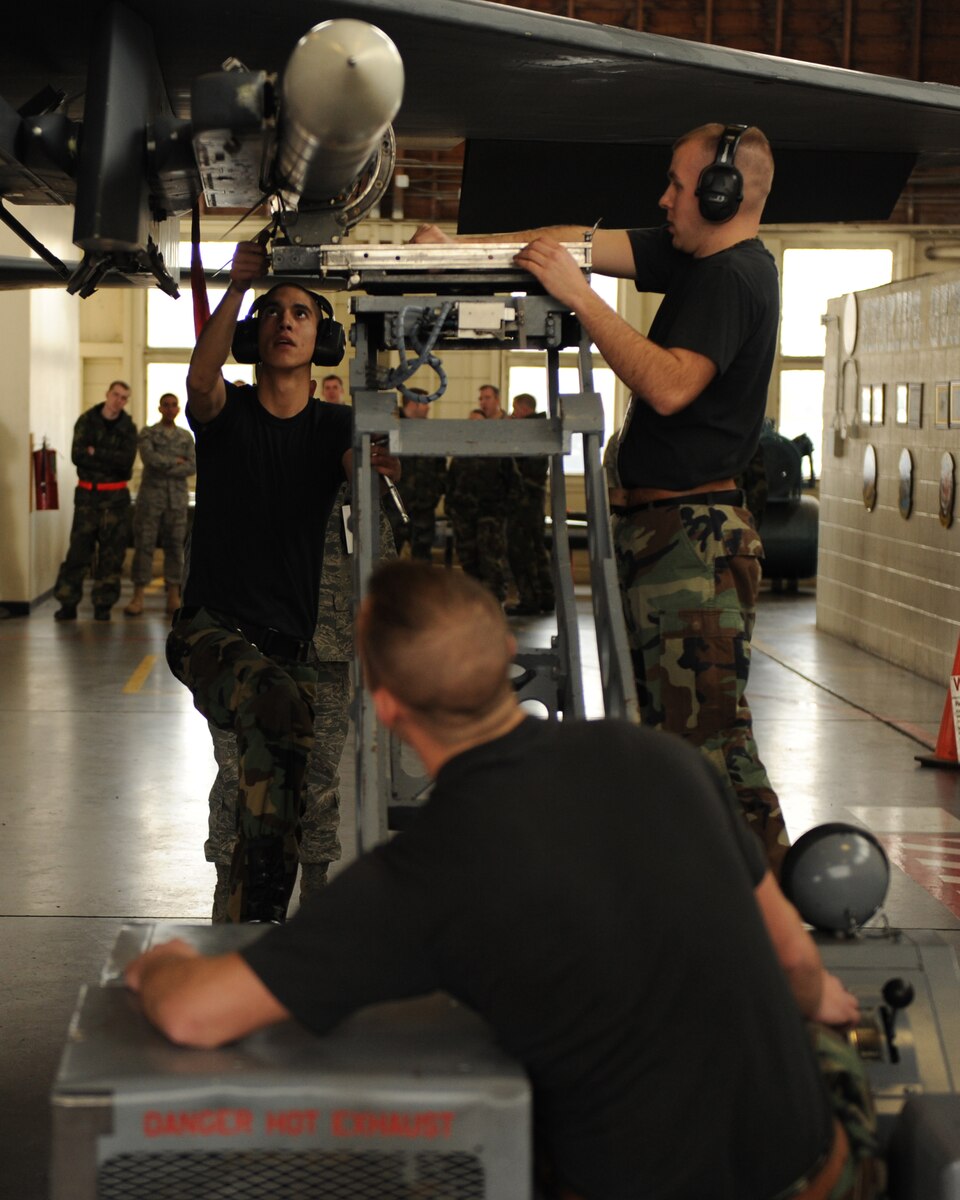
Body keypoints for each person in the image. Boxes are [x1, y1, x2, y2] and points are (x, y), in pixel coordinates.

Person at [127, 561, 863, 1200]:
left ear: (385, 706)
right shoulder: (662, 760)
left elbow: (197, 1016)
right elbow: (798, 966)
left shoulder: (425, 872)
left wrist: (164, 964)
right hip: (823, 1174)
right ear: (507, 655)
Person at [413, 123, 787, 871]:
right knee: (671, 743)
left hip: (694, 541)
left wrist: (580, 298)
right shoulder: (691, 256)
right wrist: (457, 250)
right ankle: (707, 913)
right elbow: (572, 244)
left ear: (723, 193)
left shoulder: (734, 275)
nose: (666, 198)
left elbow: (672, 383)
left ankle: (768, 925)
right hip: (661, 534)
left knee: (709, 747)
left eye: (679, 186)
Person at [165, 239, 399, 924]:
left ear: (320, 336)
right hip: (214, 633)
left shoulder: (336, 425)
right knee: (251, 769)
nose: (286, 322)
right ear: (253, 332)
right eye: (273, 313)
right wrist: (238, 287)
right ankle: (239, 921)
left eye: (300, 312)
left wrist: (380, 462)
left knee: (286, 792)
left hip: (294, 647)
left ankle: (256, 927)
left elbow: (370, 463)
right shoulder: (228, 415)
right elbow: (200, 382)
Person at [53, 381, 137, 622]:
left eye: (123, 398)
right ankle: (68, 602)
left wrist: (95, 453)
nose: (118, 401)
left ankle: (103, 605)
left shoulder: (128, 428)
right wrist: (107, 458)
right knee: (78, 553)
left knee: (112, 555)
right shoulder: (87, 421)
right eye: (115, 395)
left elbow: (125, 464)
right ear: (107, 394)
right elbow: (77, 455)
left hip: (115, 500)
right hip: (88, 498)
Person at [124, 393, 196, 617]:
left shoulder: (186, 437)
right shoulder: (148, 433)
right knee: (144, 545)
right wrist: (175, 461)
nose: (170, 408)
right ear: (160, 408)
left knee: (175, 546)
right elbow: (150, 460)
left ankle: (174, 595)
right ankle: (138, 596)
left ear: (178, 409)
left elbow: (192, 465)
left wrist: (167, 463)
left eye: (174, 405)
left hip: (176, 500)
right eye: (166, 405)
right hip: (150, 499)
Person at [444, 384, 513, 601]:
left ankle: (495, 605)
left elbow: (512, 483)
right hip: (464, 517)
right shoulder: (461, 455)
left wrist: (504, 510)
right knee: (468, 561)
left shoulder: (497, 451)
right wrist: (451, 510)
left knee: (491, 562)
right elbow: (451, 482)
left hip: (489, 516)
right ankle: (474, 604)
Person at [505, 392, 555, 617]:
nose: (513, 415)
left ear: (525, 410)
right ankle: (545, 595)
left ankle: (529, 599)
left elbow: (520, 467)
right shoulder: (541, 431)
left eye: (516, 410)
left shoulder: (528, 432)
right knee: (537, 549)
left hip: (523, 501)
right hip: (533, 501)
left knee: (520, 551)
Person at [393, 387, 446, 561]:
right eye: (425, 403)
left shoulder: (431, 432)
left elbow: (440, 467)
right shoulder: (392, 428)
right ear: (413, 403)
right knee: (387, 557)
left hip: (423, 507)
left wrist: (433, 495)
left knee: (422, 561)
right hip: (394, 506)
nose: (428, 407)